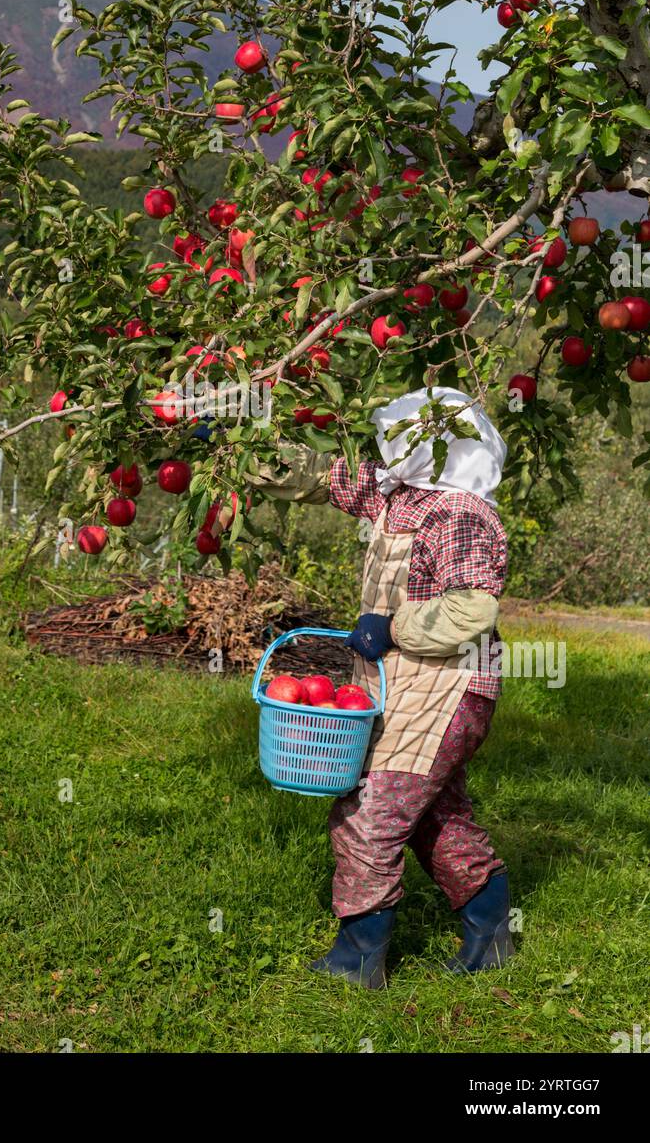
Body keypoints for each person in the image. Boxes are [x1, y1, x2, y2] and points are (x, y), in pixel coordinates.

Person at [247, 385, 513, 988]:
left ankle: (359, 956)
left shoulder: (463, 516)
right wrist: (237, 451)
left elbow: (471, 613)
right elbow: (322, 477)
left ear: (438, 447)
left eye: (406, 438)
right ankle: (491, 929)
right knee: (433, 815)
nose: (391, 450)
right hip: (405, 681)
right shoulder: (403, 496)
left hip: (448, 686)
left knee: (371, 808)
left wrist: (391, 626)